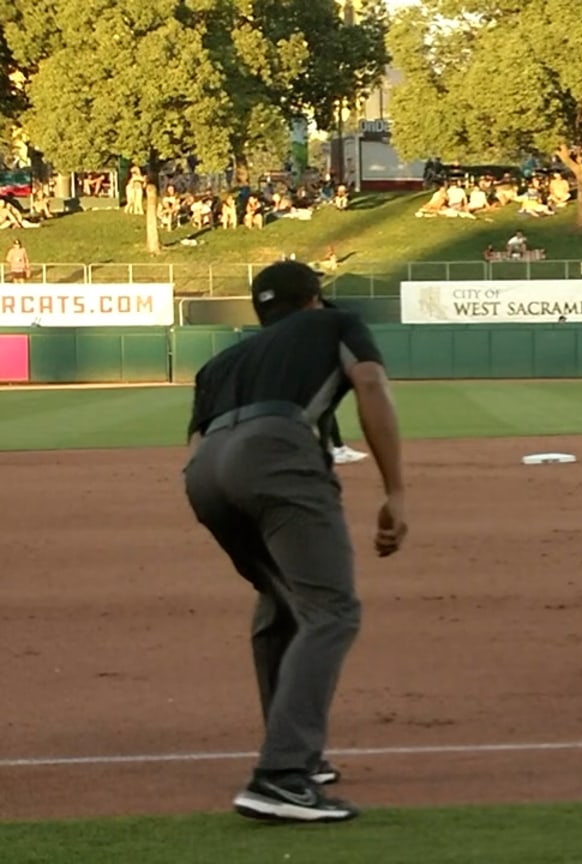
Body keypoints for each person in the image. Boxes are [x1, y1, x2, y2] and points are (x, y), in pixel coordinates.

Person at [182, 260, 408, 823]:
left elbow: (194, 444)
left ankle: (293, 752)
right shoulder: (333, 323)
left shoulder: (224, 358)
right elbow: (371, 382)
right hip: (275, 451)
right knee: (331, 611)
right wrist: (396, 491)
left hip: (205, 471)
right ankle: (282, 775)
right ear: (314, 299)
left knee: (280, 603)